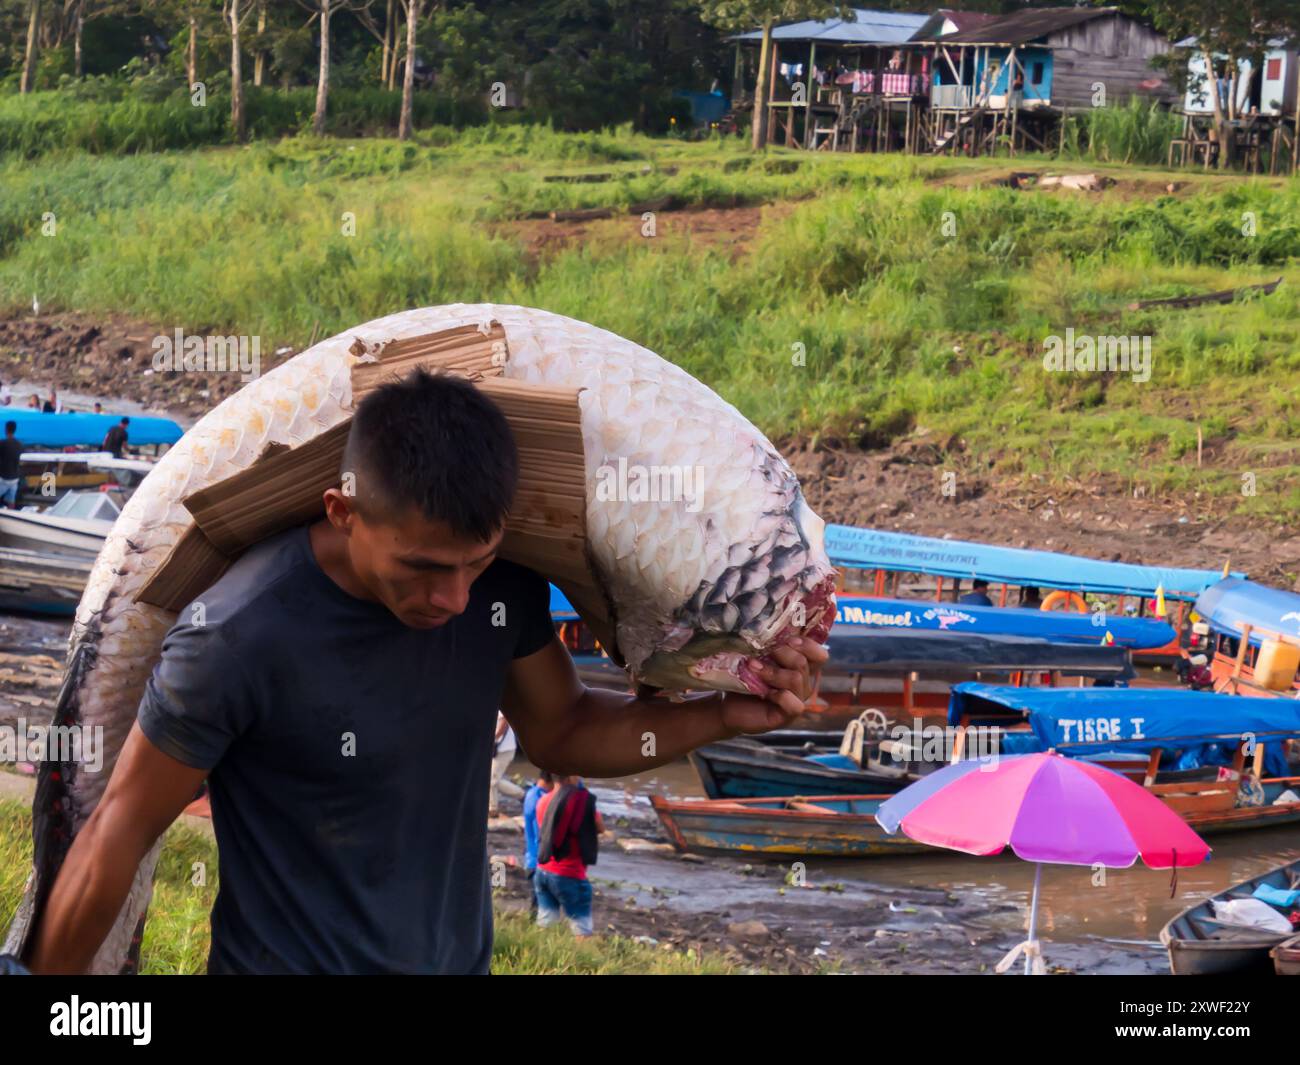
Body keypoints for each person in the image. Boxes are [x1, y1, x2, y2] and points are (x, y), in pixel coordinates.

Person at [24, 368, 826, 975]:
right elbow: (119, 831)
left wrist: (722, 714)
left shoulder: (499, 593)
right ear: (343, 512)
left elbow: (565, 729)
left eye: (474, 562)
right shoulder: (237, 636)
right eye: (422, 567)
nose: (451, 596)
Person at [534, 775, 603, 937]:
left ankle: (542, 958)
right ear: (571, 777)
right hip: (569, 873)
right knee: (581, 929)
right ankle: (583, 961)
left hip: (543, 870)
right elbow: (600, 827)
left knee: (546, 924)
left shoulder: (543, 800)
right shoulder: (580, 801)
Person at [522, 771, 554, 914]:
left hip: (532, 857)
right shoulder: (540, 798)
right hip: (539, 861)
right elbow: (542, 833)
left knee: (538, 906)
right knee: (541, 909)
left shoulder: (532, 793)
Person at [488, 710, 517, 817]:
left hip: (505, 750)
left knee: (491, 781)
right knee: (494, 780)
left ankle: (493, 809)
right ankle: (521, 794)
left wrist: (492, 739)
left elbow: (504, 722)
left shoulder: (499, 705)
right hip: (501, 750)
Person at [0, 421, 22, 509]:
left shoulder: (2, 443)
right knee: (11, 501)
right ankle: (10, 517)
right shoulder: (20, 444)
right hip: (15, 478)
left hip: (4, 478)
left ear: (6, 429)